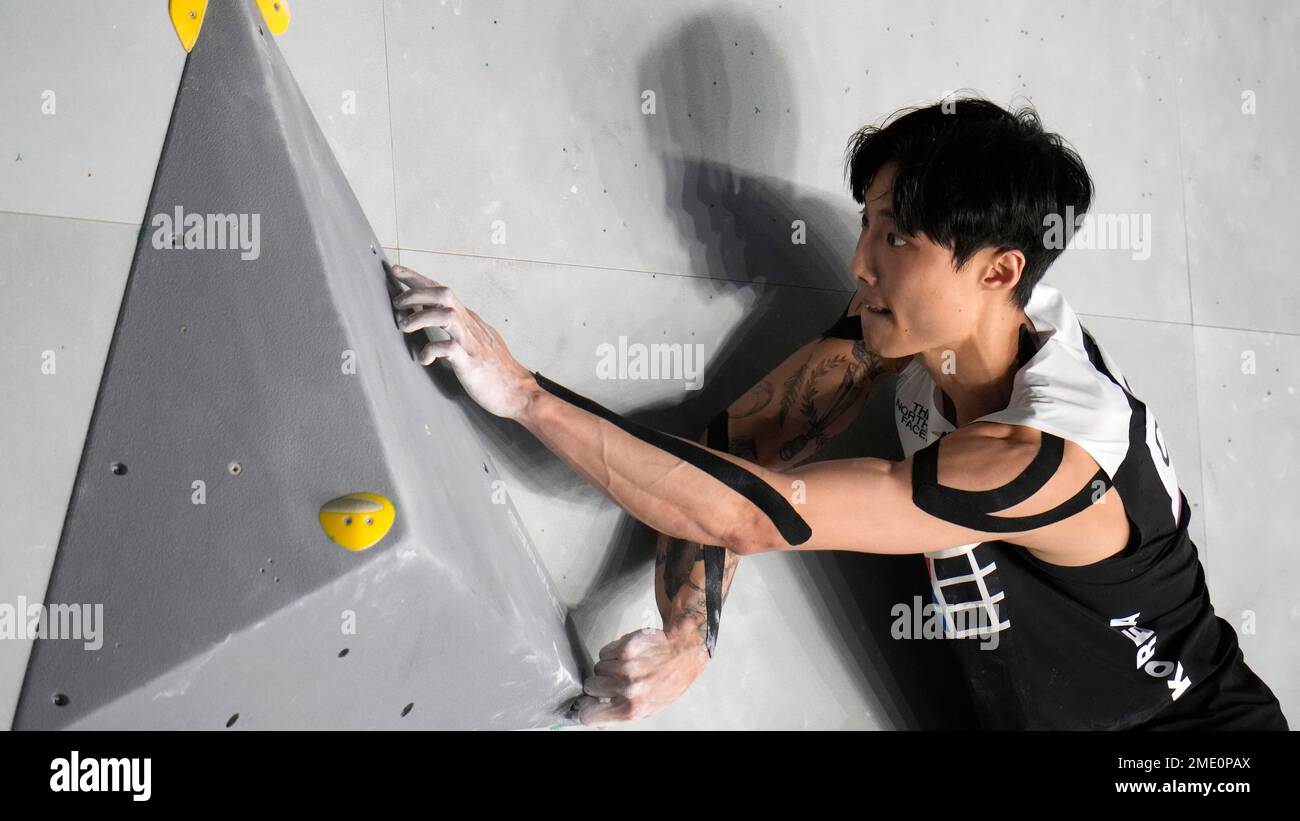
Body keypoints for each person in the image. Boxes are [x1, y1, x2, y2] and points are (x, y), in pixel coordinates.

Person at [388, 96, 1288, 731]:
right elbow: (740, 453)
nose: (859, 263)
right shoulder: (919, 332)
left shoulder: (1043, 454)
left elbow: (753, 513)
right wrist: (691, 634)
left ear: (999, 271)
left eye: (895, 236)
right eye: (866, 224)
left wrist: (522, 392)